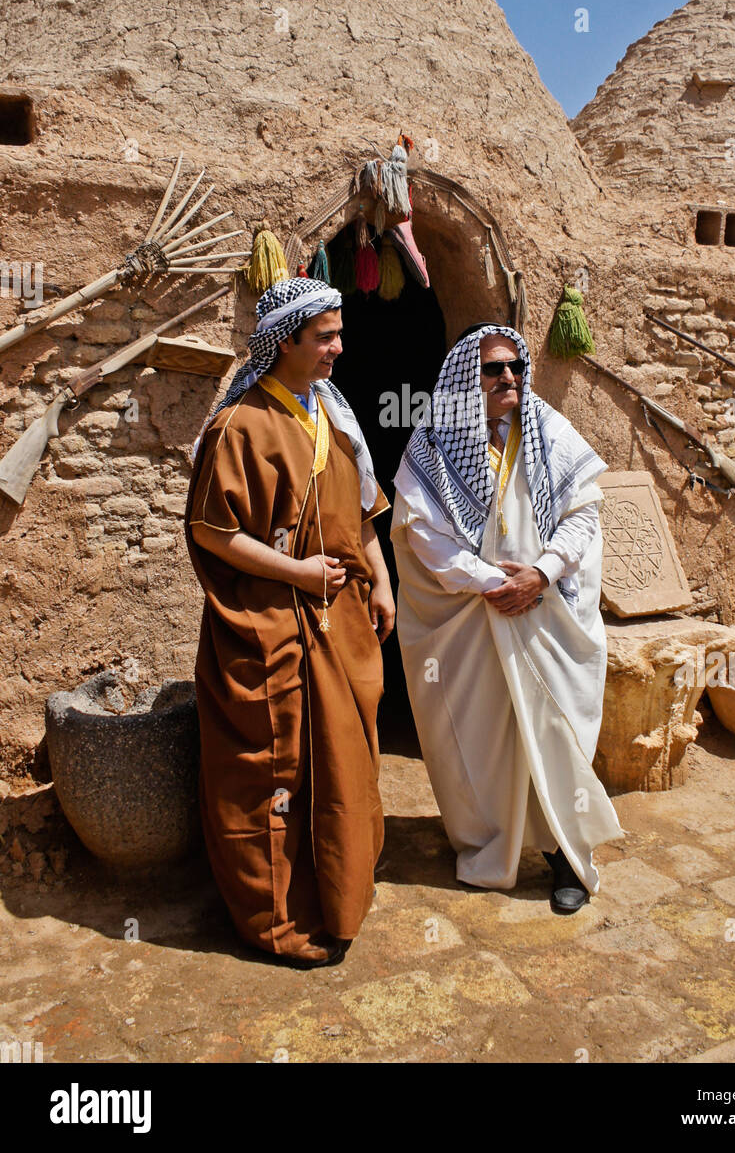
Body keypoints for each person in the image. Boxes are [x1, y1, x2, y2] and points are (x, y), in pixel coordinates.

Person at [185, 276, 395, 968]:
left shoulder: (331, 419)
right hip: (266, 625)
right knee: (275, 771)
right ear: (287, 342)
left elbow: (360, 516)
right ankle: (278, 921)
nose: (339, 347)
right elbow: (214, 531)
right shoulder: (239, 425)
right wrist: (299, 574)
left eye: (339, 334)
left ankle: (337, 895)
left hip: (340, 627)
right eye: (326, 336)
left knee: (342, 762)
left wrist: (382, 583)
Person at [391, 324, 622, 912]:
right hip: (474, 623)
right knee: (483, 735)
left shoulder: (550, 432)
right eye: (493, 369)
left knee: (556, 730)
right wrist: (496, 583)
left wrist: (540, 574)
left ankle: (566, 856)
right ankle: (490, 845)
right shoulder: (431, 446)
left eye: (515, 366)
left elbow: (583, 515)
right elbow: (424, 538)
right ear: (469, 378)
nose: (508, 378)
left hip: (544, 618)